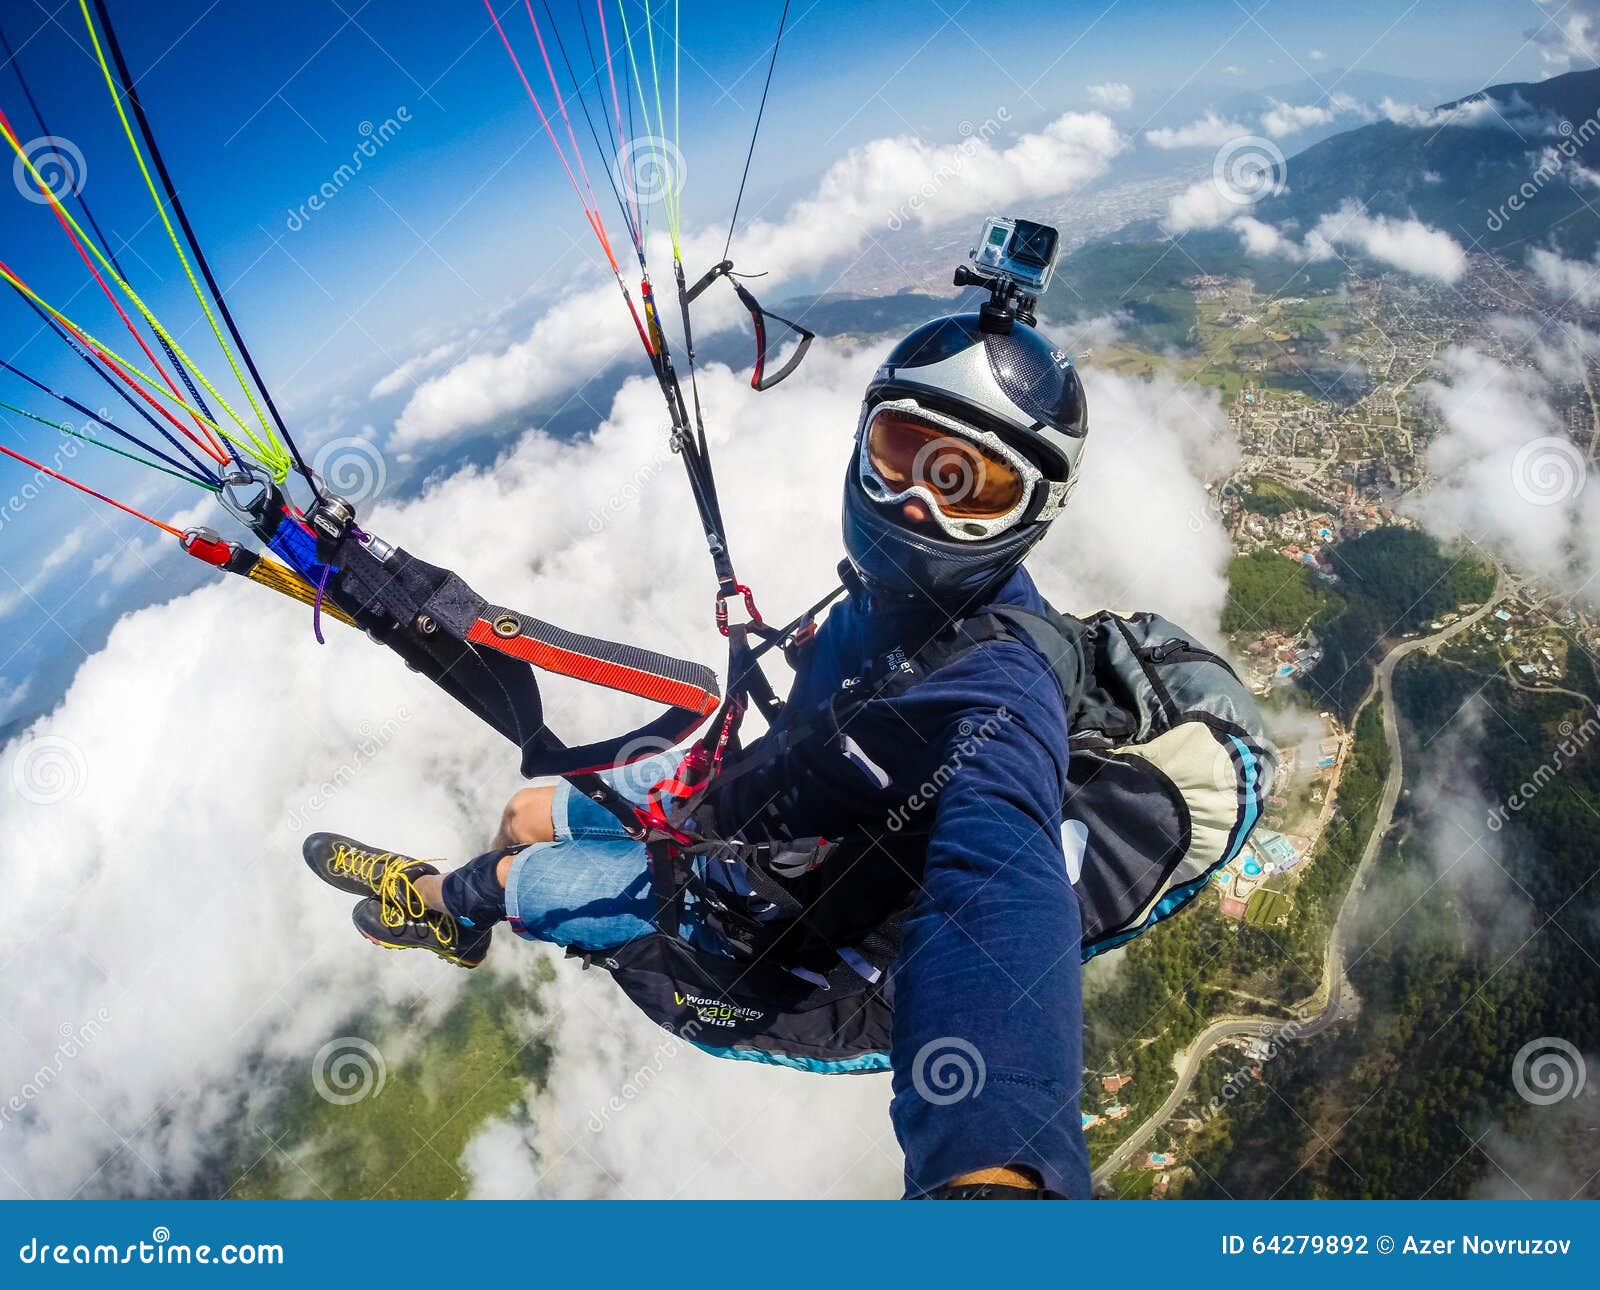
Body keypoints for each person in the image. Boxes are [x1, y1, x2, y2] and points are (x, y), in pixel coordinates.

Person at [304, 310, 1092, 1198]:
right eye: (902, 452)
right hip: (743, 802)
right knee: (529, 812)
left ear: (1036, 515)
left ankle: (446, 906)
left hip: (756, 911)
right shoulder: (883, 606)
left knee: (515, 877)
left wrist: (995, 1173)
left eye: (973, 490)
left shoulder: (1003, 693)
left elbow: (1001, 888)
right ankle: (475, 913)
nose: (919, 501)